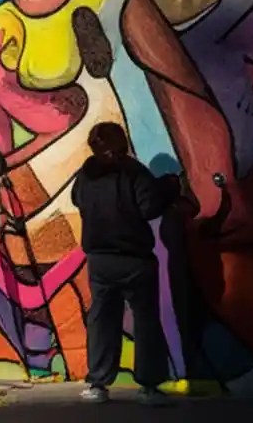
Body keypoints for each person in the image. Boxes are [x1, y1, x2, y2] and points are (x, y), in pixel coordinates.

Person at [71, 121, 180, 406]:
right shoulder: (134, 171)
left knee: (101, 321)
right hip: (134, 259)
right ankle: (149, 386)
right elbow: (149, 207)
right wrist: (168, 189)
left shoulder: (86, 173)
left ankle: (98, 384)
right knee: (145, 321)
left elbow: (76, 200)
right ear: (122, 143)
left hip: (99, 260)